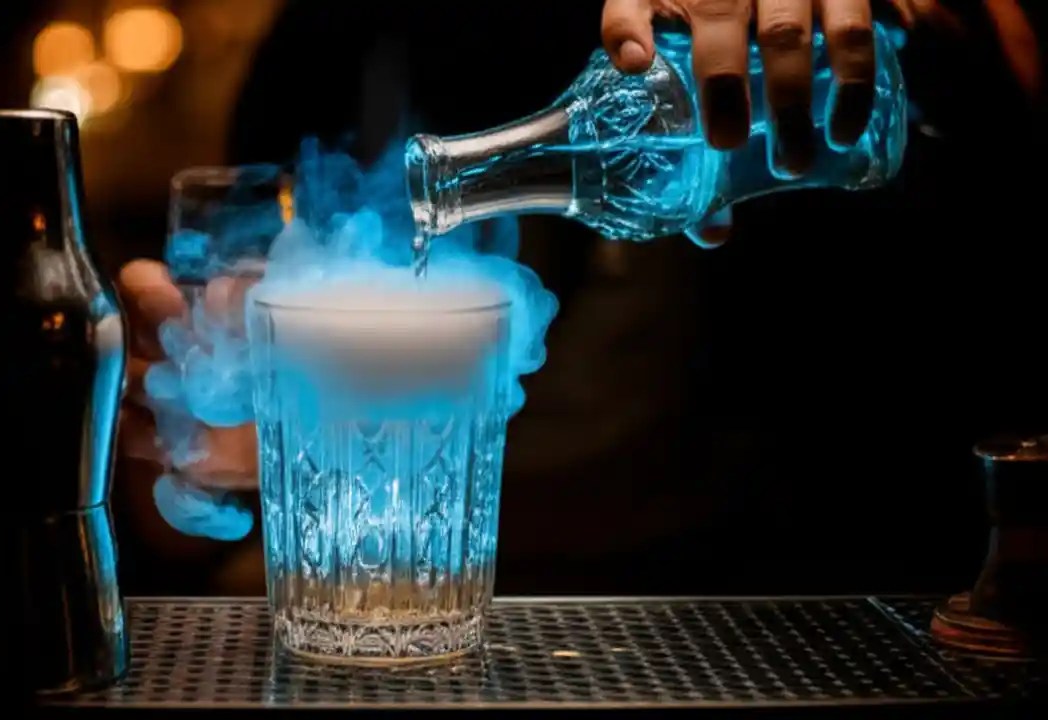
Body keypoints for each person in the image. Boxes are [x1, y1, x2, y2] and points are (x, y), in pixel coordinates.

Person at [113, 1, 1044, 596]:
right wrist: (191, 431)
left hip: (746, 610)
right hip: (363, 639)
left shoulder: (732, 28)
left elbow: (991, 117)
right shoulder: (332, 44)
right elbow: (200, 498)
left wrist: (943, 33)